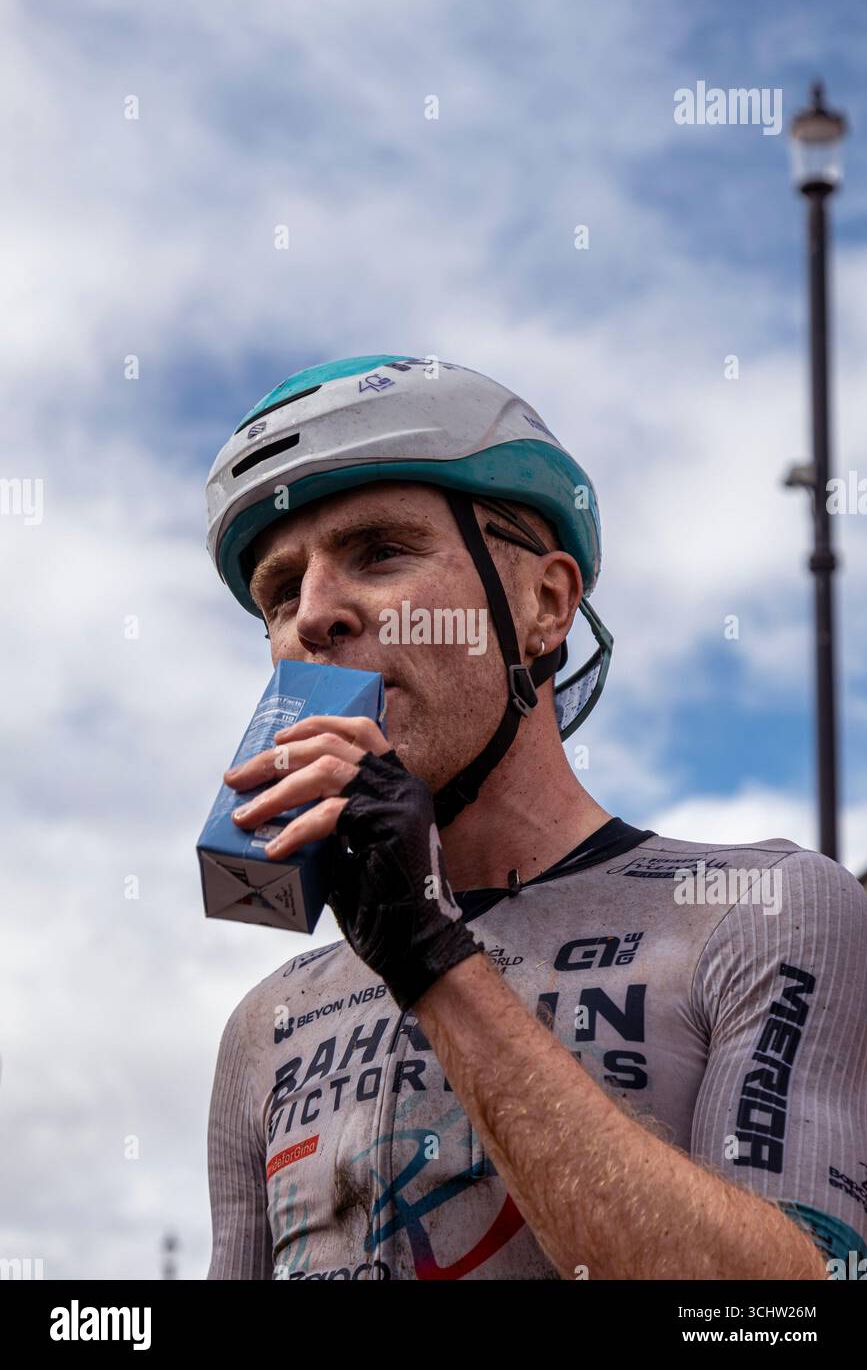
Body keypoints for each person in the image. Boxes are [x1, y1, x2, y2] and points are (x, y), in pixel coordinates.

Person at [204, 353, 867, 1281]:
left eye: (380, 551)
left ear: (543, 605)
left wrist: (429, 955)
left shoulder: (760, 909)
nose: (314, 615)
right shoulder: (266, 1021)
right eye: (279, 593)